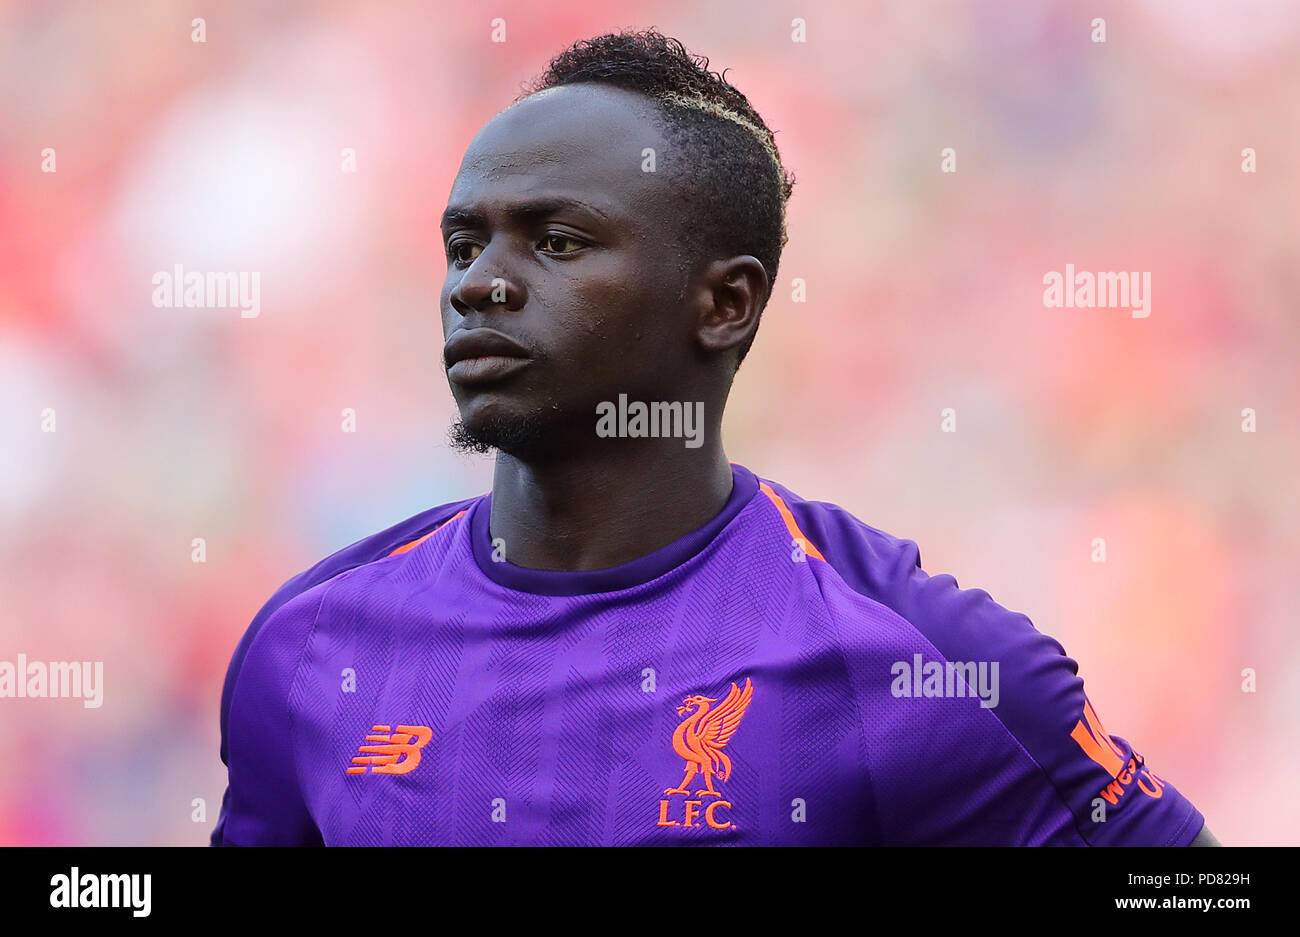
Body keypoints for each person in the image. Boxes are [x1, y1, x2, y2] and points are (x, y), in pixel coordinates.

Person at [211, 29, 1216, 846]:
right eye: (465, 243)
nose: (480, 283)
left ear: (724, 304)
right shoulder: (313, 645)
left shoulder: (919, 659)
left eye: (556, 242)